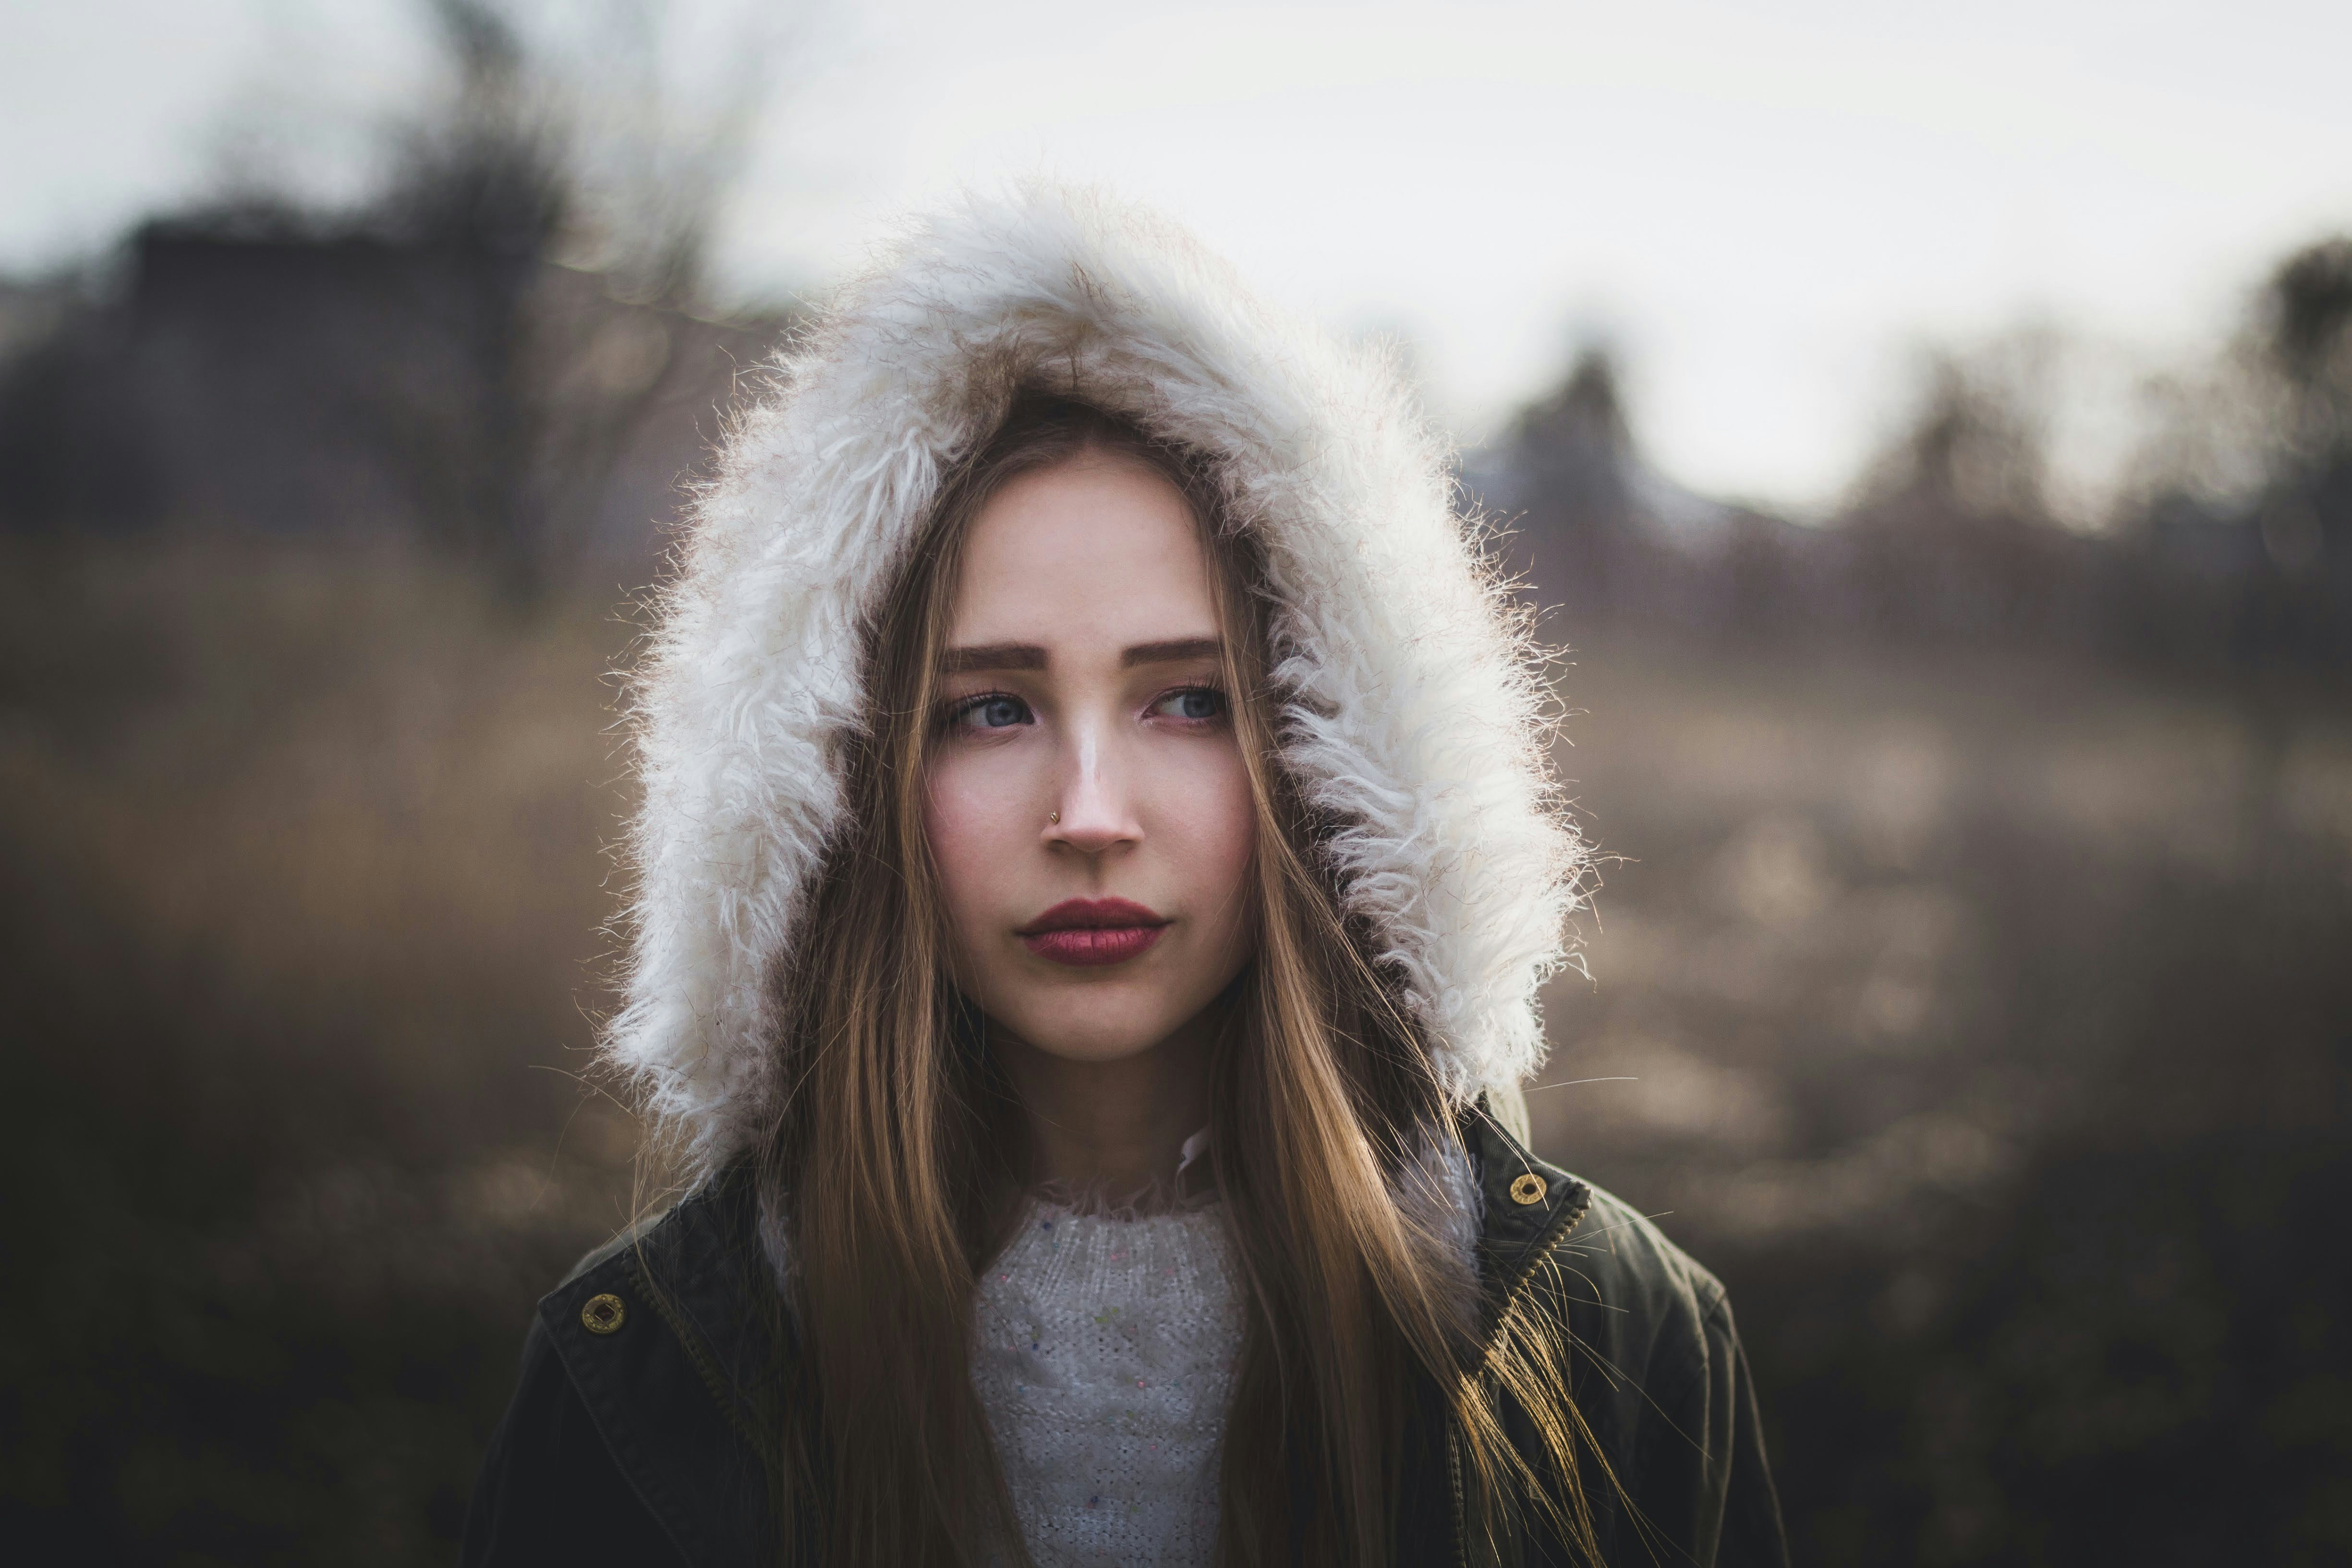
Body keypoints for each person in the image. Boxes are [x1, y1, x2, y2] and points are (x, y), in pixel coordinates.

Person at [461, 185, 1787, 1568]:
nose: (1089, 816)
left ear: (1333, 762)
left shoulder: (1616, 1347)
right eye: (988, 708)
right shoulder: (643, 1377)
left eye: (1189, 702)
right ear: (841, 780)